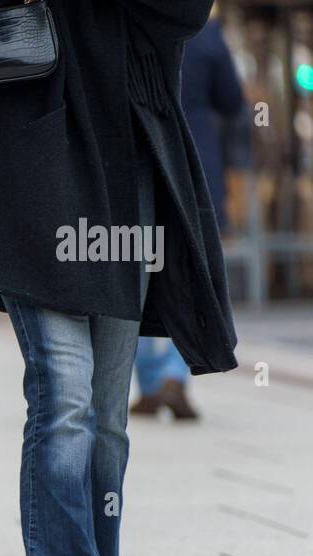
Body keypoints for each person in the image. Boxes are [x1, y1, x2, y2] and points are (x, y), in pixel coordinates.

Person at [0, 1, 238, 556]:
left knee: (106, 418)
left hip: (130, 165)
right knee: (64, 396)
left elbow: (186, 14)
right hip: (34, 160)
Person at [131, 14, 243, 422]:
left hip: (143, 157)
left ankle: (148, 382)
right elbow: (232, 99)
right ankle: (174, 374)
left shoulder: (136, 19)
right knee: (187, 271)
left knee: (140, 274)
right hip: (195, 167)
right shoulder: (207, 33)